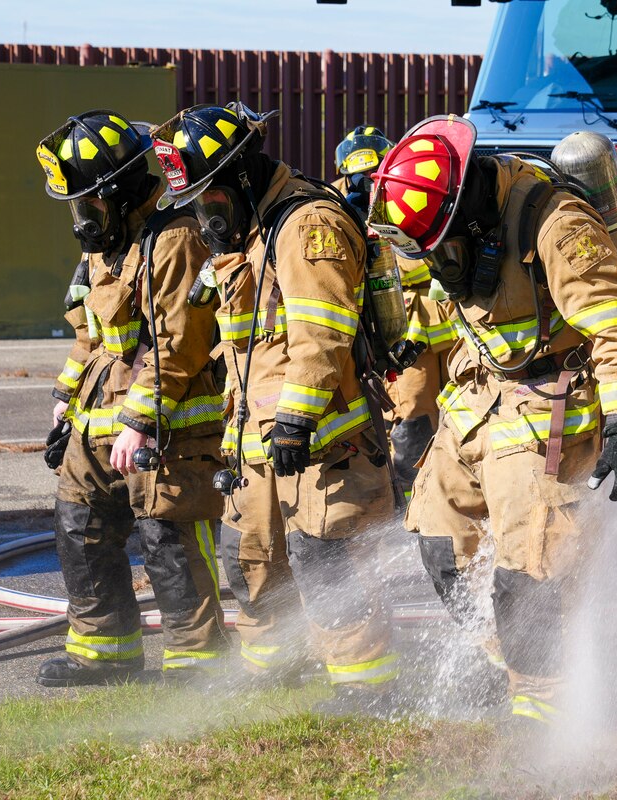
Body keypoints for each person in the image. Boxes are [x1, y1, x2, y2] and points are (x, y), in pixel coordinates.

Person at [368, 114, 617, 726]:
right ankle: (507, 663)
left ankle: (543, 712)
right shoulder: (438, 221)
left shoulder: (556, 223)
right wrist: (412, 397)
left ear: (467, 206)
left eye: (443, 243)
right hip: (475, 401)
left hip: (548, 406)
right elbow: (445, 309)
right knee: (437, 538)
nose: (438, 258)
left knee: (533, 567)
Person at [149, 103, 401, 712]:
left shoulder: (306, 224)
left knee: (327, 555)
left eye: (211, 198)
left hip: (320, 436)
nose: (205, 216)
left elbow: (322, 335)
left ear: (242, 175)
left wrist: (295, 418)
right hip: (253, 438)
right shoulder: (252, 227)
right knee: (252, 557)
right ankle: (276, 668)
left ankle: (364, 681)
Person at [35, 110, 231, 686]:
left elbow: (180, 342)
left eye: (89, 203)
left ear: (118, 192)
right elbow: (88, 332)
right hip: (97, 421)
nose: (82, 219)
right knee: (79, 527)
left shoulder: (177, 239)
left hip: (168, 424)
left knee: (169, 536)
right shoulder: (108, 241)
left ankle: (197, 664)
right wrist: (65, 398)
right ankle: (103, 655)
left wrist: (141, 421)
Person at [334, 125, 457, 497]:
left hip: (443, 333)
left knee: (452, 415)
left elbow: (434, 252)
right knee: (410, 420)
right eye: (356, 179)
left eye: (371, 177)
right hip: (402, 338)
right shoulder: (340, 208)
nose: (365, 187)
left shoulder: (410, 193)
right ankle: (410, 497)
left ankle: (446, 488)